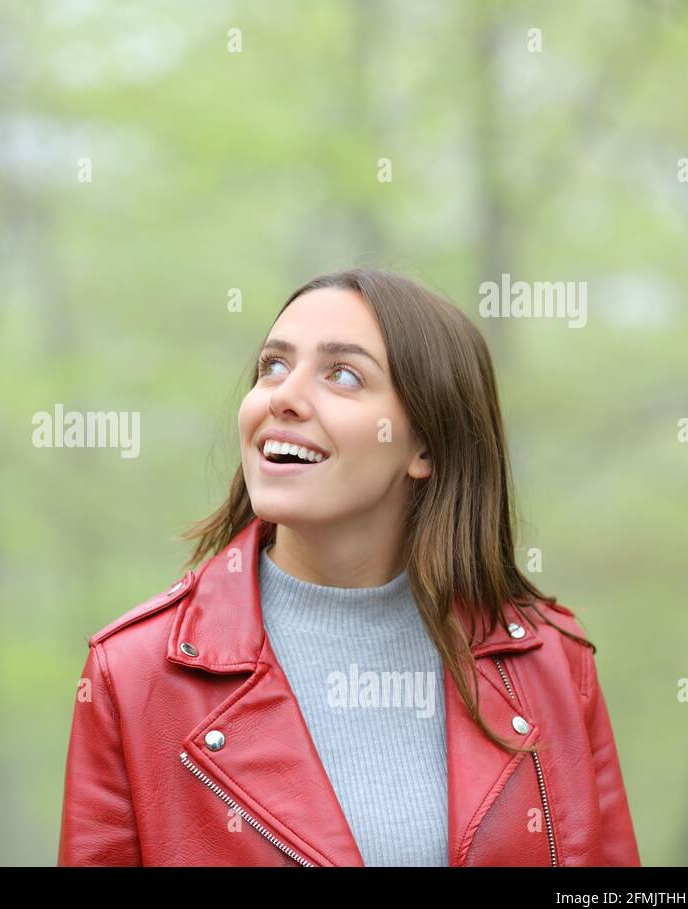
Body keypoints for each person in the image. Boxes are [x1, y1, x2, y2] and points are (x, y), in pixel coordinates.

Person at [56, 267, 641, 866]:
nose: (283, 395)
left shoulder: (552, 664)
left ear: (425, 447)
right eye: (273, 366)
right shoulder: (133, 675)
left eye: (342, 374)